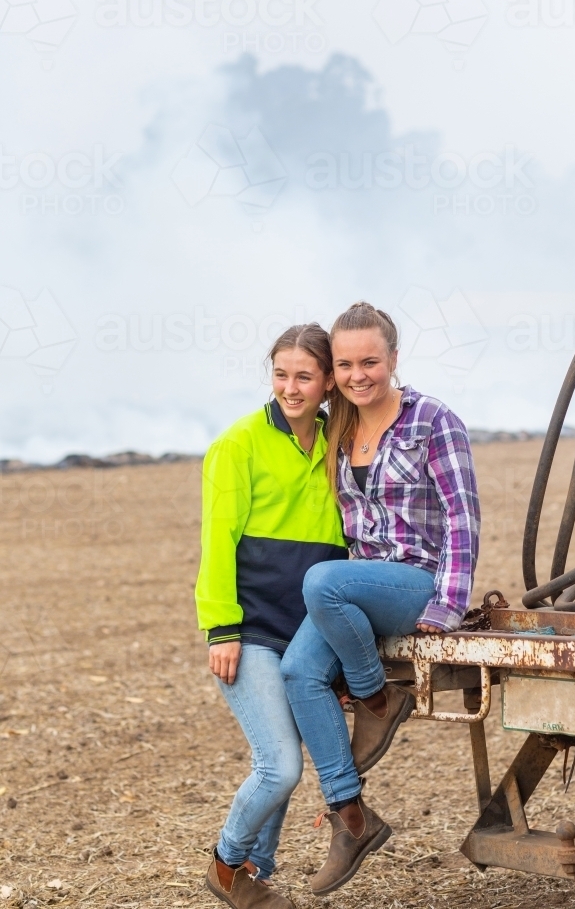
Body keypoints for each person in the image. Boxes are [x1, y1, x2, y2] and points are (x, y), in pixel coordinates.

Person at [281, 301, 480, 895]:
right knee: (298, 673)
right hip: (358, 584)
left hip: (414, 583)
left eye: (370, 361)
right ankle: (352, 820)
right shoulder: (338, 424)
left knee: (322, 580)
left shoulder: (432, 421)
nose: (357, 375)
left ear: (393, 359)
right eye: (344, 364)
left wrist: (445, 610)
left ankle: (374, 699)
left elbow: (462, 519)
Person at [195, 324, 348, 909]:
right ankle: (227, 864)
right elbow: (218, 540)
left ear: (328, 381)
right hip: (251, 631)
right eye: (281, 374)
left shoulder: (341, 440)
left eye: (304, 376)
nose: (290, 387)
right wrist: (222, 629)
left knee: (285, 755)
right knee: (280, 766)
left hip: (309, 633)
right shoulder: (238, 445)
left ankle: (256, 869)